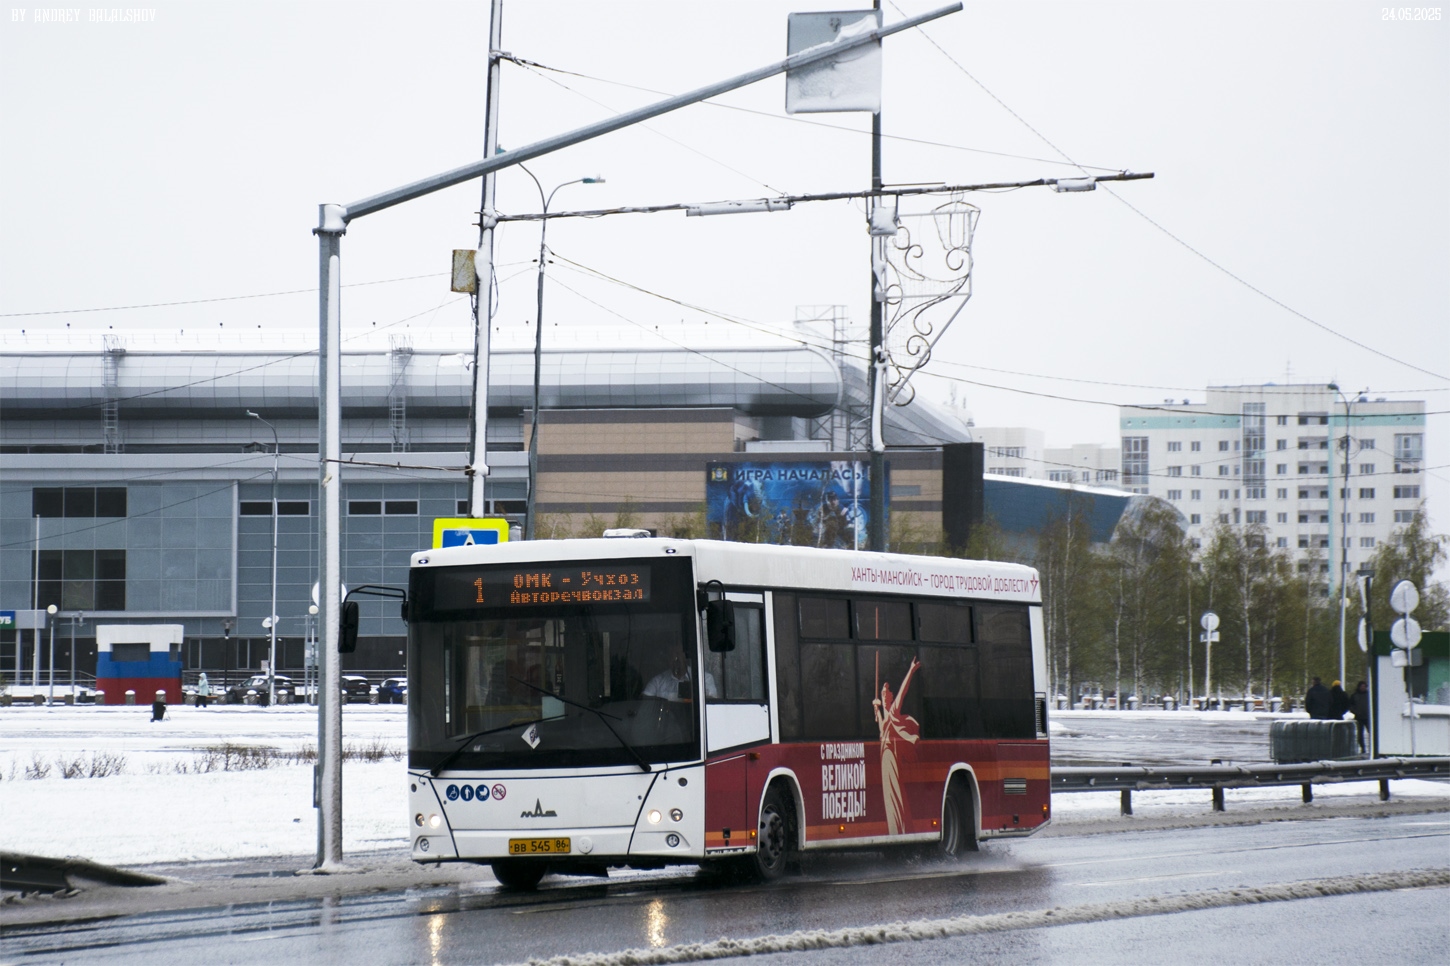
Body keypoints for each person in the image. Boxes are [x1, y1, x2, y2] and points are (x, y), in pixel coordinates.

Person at [873, 656, 922, 836]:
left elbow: (903, 689)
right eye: (883, 694)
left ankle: (901, 828)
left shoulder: (893, 712)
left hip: (891, 762)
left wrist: (910, 670)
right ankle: (896, 829)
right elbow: (881, 730)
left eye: (887, 694)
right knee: (890, 801)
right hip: (885, 764)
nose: (885, 695)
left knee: (896, 797)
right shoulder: (885, 720)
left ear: (891, 698)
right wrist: (876, 711)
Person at [643, 650, 717, 701]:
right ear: (668, 659)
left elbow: (711, 702)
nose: (676, 659)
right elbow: (645, 700)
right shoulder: (658, 681)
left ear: (685, 657)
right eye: (672, 655)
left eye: (678, 654)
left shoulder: (704, 678)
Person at [1350, 680, 1370, 754]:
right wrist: (1355, 712)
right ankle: (1362, 748)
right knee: (1360, 734)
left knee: (1370, 732)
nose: (1363, 688)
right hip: (1359, 717)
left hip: (1368, 717)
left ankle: (1372, 746)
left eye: (1364, 686)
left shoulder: (1369, 695)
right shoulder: (1354, 696)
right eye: (1362, 686)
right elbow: (1351, 706)